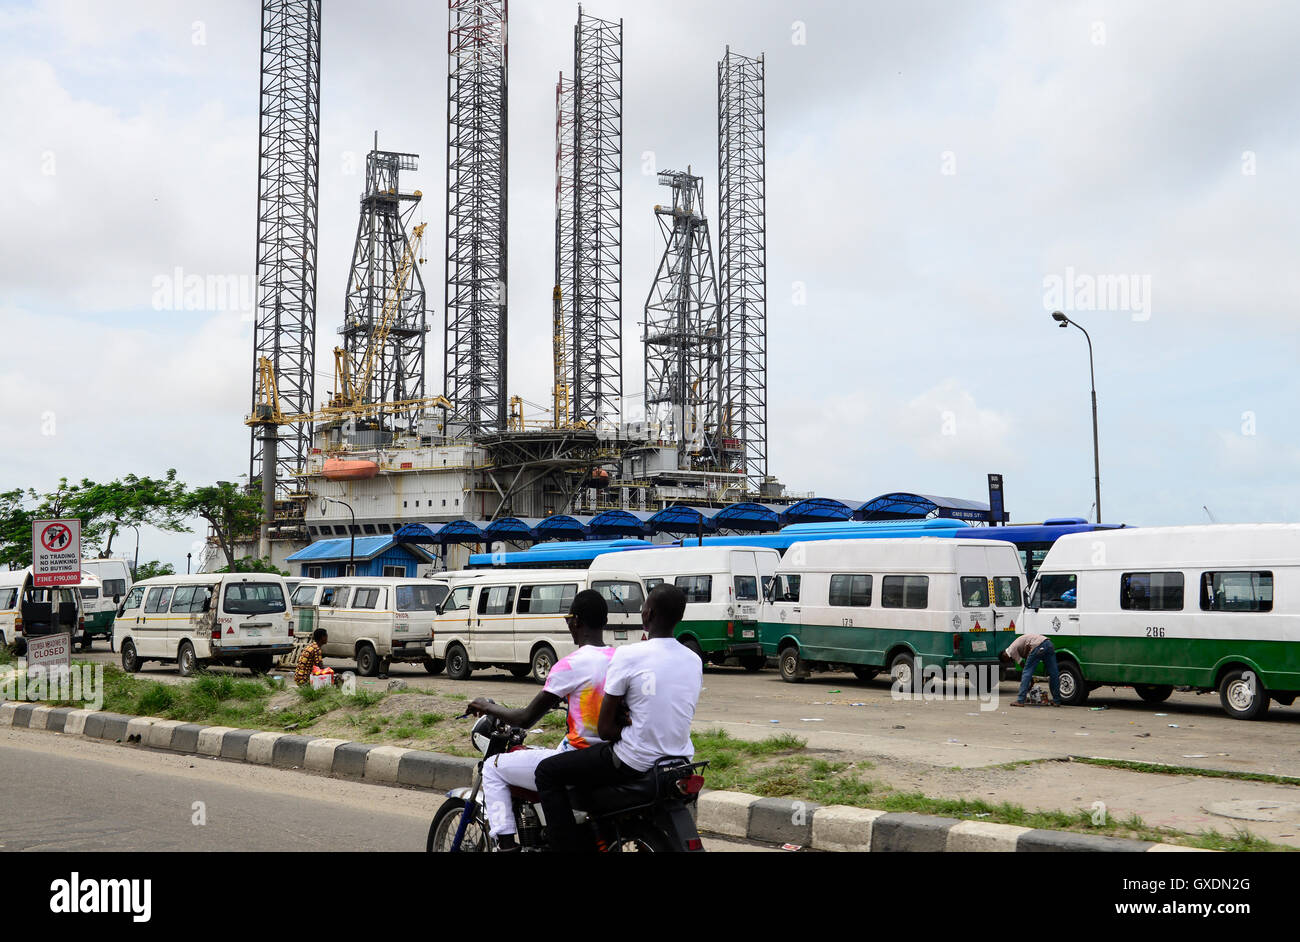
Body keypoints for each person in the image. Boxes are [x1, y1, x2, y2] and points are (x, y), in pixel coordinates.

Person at [534, 583, 702, 852]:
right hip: (680, 760)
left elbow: (604, 729)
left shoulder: (629, 654)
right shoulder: (694, 659)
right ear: (679, 618)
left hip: (632, 760)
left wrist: (621, 727)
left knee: (546, 772)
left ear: (647, 614)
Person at [466, 589, 614, 852]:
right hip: (609, 758)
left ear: (575, 621)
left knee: (492, 767)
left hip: (575, 757)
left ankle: (506, 845)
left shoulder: (570, 666)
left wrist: (488, 706)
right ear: (604, 622)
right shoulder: (620, 658)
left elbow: (524, 719)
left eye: (569, 619)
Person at [1000, 632, 1062, 706]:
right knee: (1054, 673)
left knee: (1026, 673)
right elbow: (1027, 654)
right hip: (1048, 643)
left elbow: (1024, 666)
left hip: (1038, 645)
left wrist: (1030, 678)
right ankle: (1057, 701)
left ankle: (1020, 700)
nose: (1009, 662)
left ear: (1004, 655)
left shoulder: (1011, 650)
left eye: (1006, 661)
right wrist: (1031, 678)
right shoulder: (1017, 645)